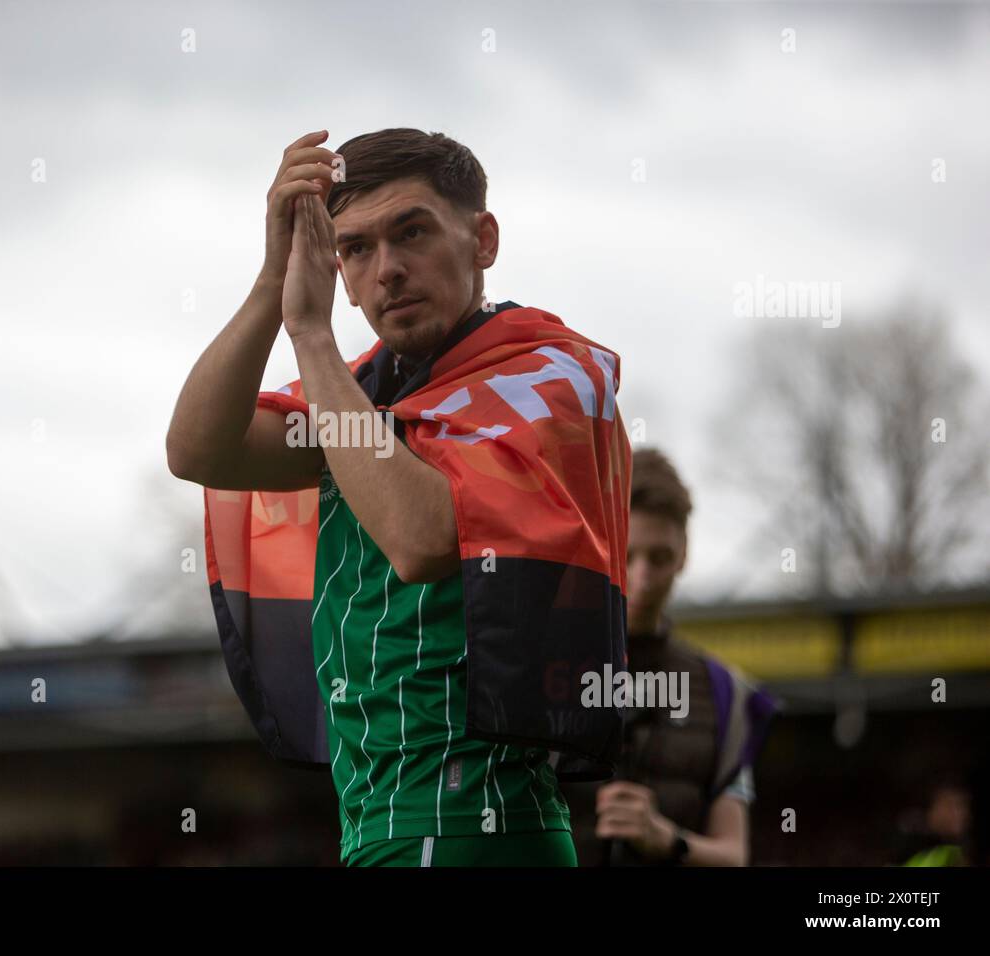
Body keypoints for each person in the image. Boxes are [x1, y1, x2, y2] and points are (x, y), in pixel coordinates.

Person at [169, 128, 631, 866]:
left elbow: (422, 540)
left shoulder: (553, 370)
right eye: (353, 249)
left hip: (472, 828)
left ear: (483, 239)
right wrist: (271, 283)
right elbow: (198, 449)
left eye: (410, 232)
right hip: (377, 824)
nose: (386, 270)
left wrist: (312, 337)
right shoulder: (362, 394)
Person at [564, 448, 778, 866]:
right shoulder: (533, 670)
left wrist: (667, 838)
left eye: (659, 557)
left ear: (684, 553)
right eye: (626, 554)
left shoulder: (726, 694)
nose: (642, 578)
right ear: (599, 545)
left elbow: (734, 855)